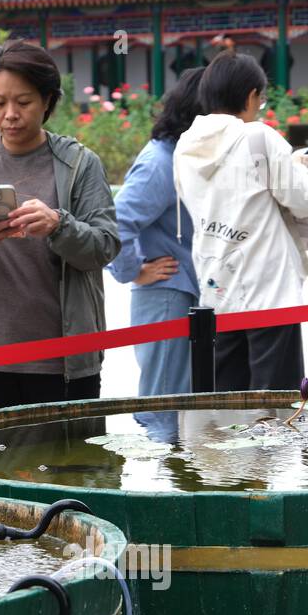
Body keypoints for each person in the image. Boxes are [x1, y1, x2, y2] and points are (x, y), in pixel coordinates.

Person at [0, 39, 120, 414]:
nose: (10, 114)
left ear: (47, 101)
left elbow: (105, 246)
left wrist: (58, 224)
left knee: (68, 470)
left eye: (24, 102)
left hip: (62, 357)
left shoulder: (80, 164)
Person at [173, 51, 308, 391]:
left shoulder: (184, 145)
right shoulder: (257, 137)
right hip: (269, 291)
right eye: (261, 97)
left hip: (217, 287)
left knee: (229, 401)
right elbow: (306, 199)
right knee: (276, 405)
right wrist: (303, 170)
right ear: (251, 95)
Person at [107, 68, 204, 397]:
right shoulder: (160, 163)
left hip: (180, 291)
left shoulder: (180, 156)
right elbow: (118, 221)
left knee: (182, 395)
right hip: (167, 294)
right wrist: (134, 271)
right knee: (165, 398)